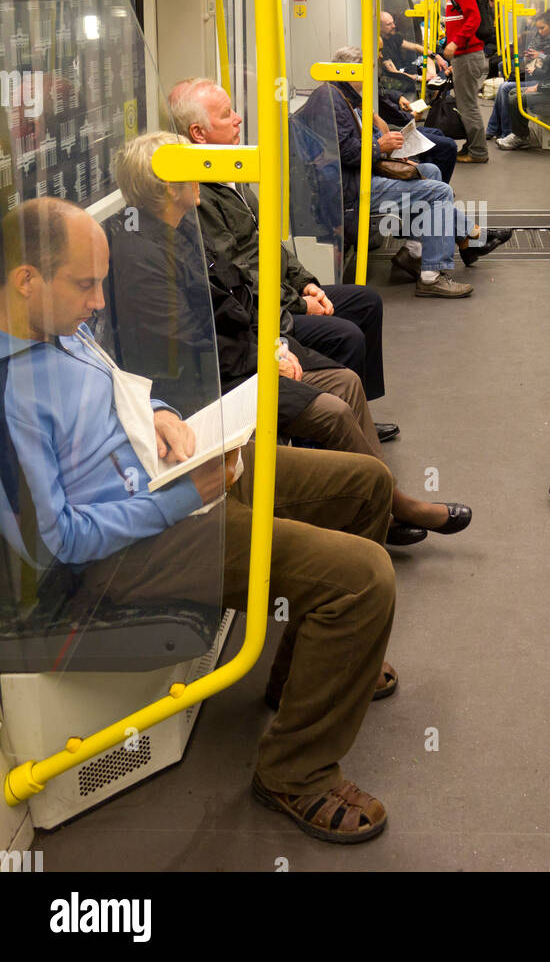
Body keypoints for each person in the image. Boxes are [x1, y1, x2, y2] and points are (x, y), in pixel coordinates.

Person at [0, 197, 397, 843]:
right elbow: (58, 542)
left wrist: (159, 413)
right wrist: (185, 497)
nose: (99, 302)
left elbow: (122, 387)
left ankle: (309, 673)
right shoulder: (9, 393)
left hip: (167, 480)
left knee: (363, 485)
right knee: (363, 576)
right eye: (85, 283)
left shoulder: (62, 329)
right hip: (126, 551)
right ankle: (295, 773)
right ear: (25, 280)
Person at [108, 133, 471, 542]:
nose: (201, 177)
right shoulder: (142, 259)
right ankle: (388, 508)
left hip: (245, 350)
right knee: (332, 410)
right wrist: (264, 357)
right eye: (194, 167)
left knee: (347, 382)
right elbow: (192, 349)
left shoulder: (185, 230)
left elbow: (237, 289)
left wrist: (272, 340)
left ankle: (380, 502)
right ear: (168, 184)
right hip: (214, 383)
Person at [167, 79, 392, 432]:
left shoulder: (232, 175)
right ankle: (339, 429)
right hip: (266, 308)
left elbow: (268, 243)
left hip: (284, 293)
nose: (239, 118)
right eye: (227, 115)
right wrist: (299, 304)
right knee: (346, 335)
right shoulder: (200, 198)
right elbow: (240, 272)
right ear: (199, 133)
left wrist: (306, 284)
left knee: (366, 301)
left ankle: (361, 411)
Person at [296, 46, 511, 298]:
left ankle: (415, 251)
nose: (367, 79)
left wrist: (383, 141)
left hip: (355, 177)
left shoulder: (342, 97)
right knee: (440, 193)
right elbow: (344, 152)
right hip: (349, 189)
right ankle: (434, 273)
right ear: (350, 72)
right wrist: (380, 147)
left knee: (429, 171)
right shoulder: (329, 100)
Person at [497, 8, 550, 150]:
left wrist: (538, 86)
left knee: (515, 97)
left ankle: (520, 136)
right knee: (512, 93)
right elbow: (549, 60)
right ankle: (516, 133)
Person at [440, 0, 488, 164]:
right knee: (465, 103)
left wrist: (455, 42)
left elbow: (474, 18)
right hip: (463, 57)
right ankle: (472, 144)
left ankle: (478, 152)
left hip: (468, 55)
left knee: (468, 105)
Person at [376, 77, 458, 184]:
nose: (380, 58)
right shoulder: (365, 94)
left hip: (394, 126)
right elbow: (395, 114)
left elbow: (381, 91)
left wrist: (397, 97)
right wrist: (411, 116)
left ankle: (434, 183)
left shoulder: (371, 81)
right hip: (393, 129)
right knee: (448, 146)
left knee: (437, 133)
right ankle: (438, 188)